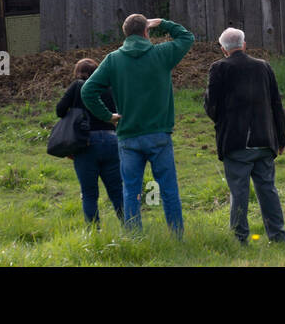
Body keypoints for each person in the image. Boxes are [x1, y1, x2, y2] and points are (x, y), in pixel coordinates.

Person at [81, 13, 194, 237]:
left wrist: (108, 116)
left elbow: (88, 91)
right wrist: (163, 23)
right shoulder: (162, 53)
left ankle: (134, 238)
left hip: (128, 136)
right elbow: (186, 37)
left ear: (125, 33)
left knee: (131, 191)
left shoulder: (113, 59)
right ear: (146, 32)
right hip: (159, 135)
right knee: (169, 190)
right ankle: (177, 237)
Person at [203, 27, 285, 244]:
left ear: (223, 49)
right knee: (267, 189)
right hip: (264, 139)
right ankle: (277, 236)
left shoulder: (218, 68)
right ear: (244, 44)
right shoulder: (264, 67)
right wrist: (280, 138)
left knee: (239, 192)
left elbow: (211, 105)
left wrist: (224, 124)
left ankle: (240, 239)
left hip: (235, 141)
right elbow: (277, 104)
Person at [56, 58, 125, 228]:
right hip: (111, 141)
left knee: (89, 193)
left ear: (77, 73)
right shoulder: (109, 87)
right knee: (117, 191)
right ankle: (130, 228)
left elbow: (59, 110)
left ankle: (95, 233)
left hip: (85, 143)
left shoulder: (77, 86)